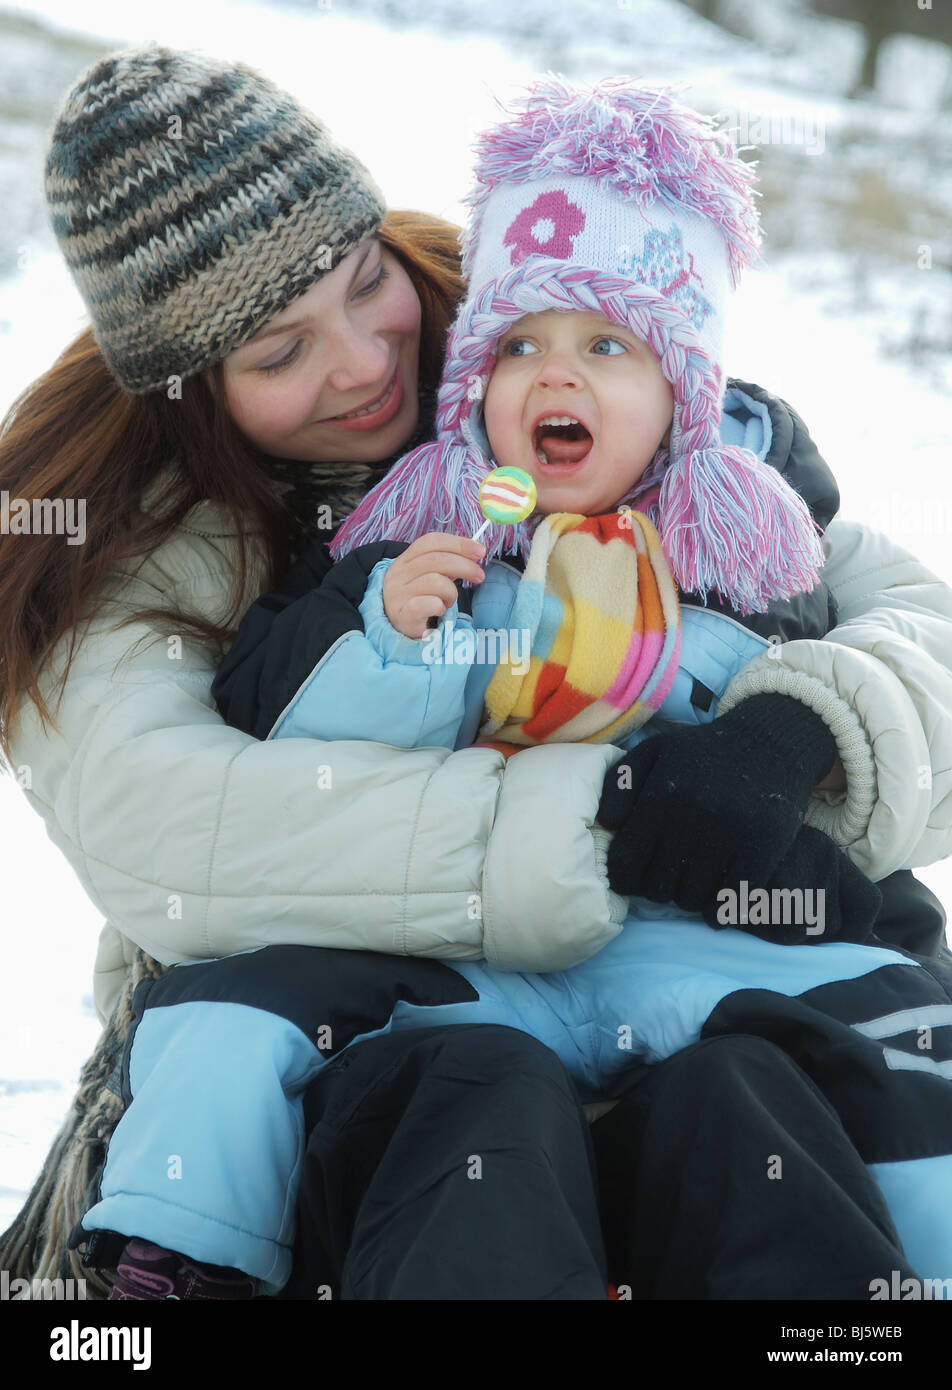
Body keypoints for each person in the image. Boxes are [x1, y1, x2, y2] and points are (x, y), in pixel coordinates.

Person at [0, 47, 948, 1301]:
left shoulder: (526, 328)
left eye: (363, 280)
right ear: (191, 391)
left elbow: (889, 607)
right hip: (374, 1033)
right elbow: (175, 834)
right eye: (280, 353)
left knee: (773, 1112)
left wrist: (798, 738)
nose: (360, 362)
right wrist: (605, 822)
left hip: (703, 1001)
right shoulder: (126, 534)